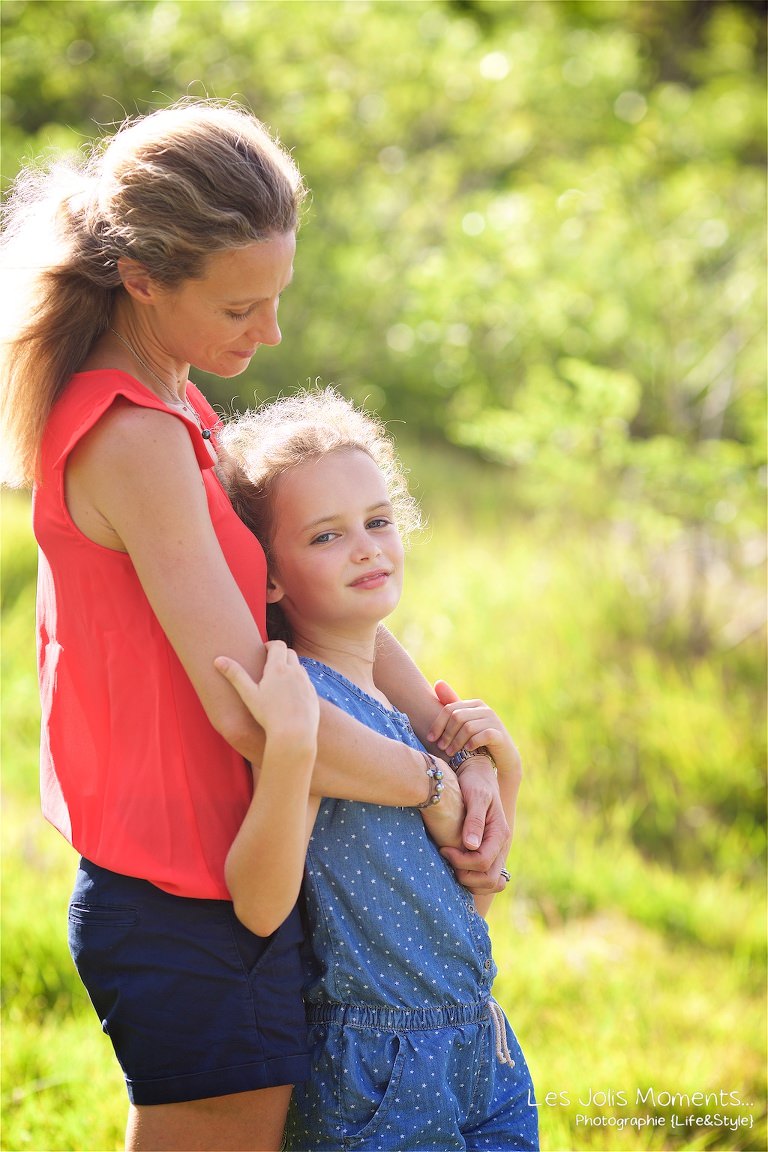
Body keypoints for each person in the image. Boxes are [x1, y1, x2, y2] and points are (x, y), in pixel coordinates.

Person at [0, 99, 511, 1151]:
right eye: (241, 308)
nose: (270, 333)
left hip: (235, 869)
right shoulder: (133, 437)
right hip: (184, 889)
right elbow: (249, 709)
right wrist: (431, 783)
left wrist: (445, 727)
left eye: (277, 298)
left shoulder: (176, 401)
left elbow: (299, 599)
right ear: (141, 280)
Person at [215, 387, 539, 1151]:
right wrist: (292, 752)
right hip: (375, 1070)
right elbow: (261, 909)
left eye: (378, 522)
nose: (366, 547)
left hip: (480, 1043)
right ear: (269, 578)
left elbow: (466, 915)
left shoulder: (401, 717)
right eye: (326, 537)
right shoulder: (311, 709)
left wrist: (506, 776)